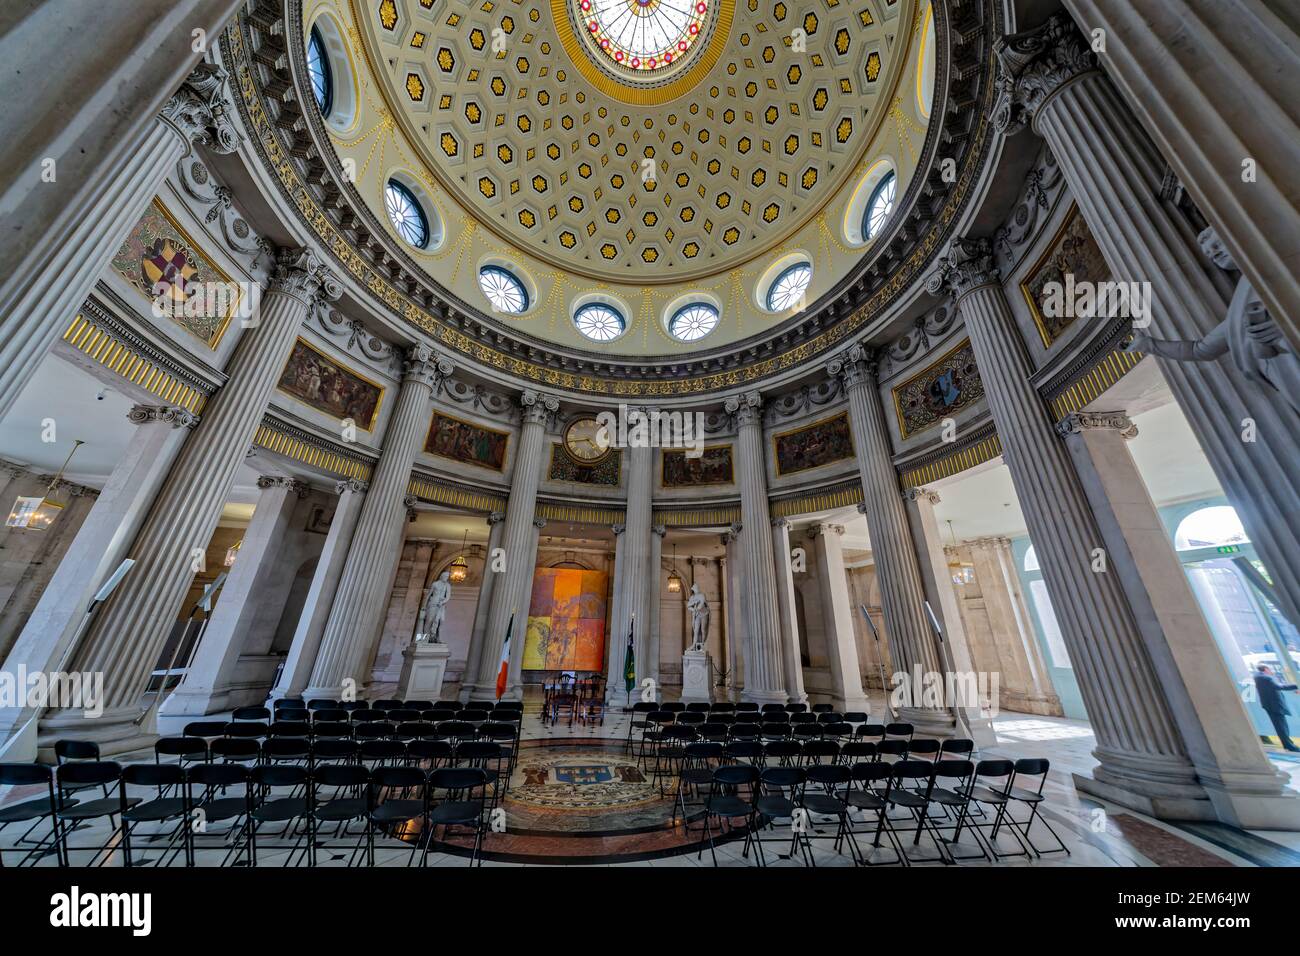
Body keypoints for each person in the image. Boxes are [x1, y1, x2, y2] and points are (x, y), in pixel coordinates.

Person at [1253, 664, 1300, 752]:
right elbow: (1278, 687)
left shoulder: (1258, 676)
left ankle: (1288, 745)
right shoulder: (1266, 678)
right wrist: (1296, 685)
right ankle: (1290, 746)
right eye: (1270, 670)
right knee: (1281, 727)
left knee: (1280, 726)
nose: (1271, 672)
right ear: (1266, 669)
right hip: (1275, 705)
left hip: (1270, 705)